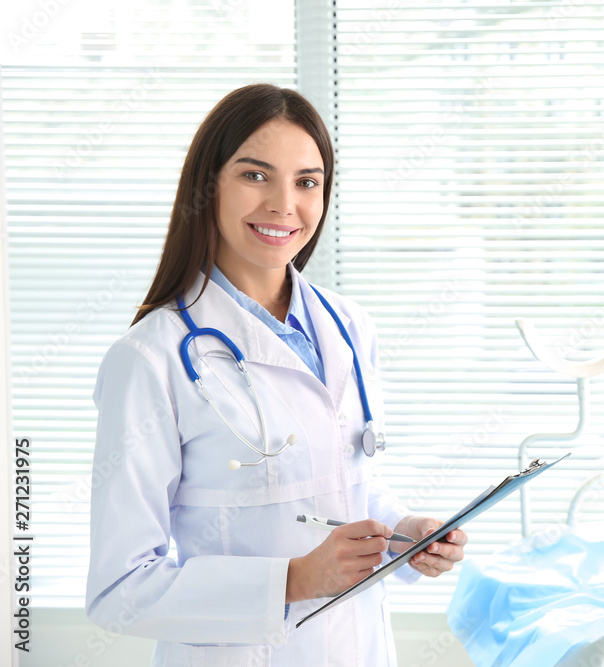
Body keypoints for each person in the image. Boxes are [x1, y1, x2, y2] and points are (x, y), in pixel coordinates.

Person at [85, 83, 467, 666]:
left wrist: (401, 533)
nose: (284, 204)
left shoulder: (348, 326)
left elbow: (340, 487)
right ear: (207, 185)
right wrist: (291, 580)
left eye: (306, 182)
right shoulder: (150, 358)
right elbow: (119, 591)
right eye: (255, 175)